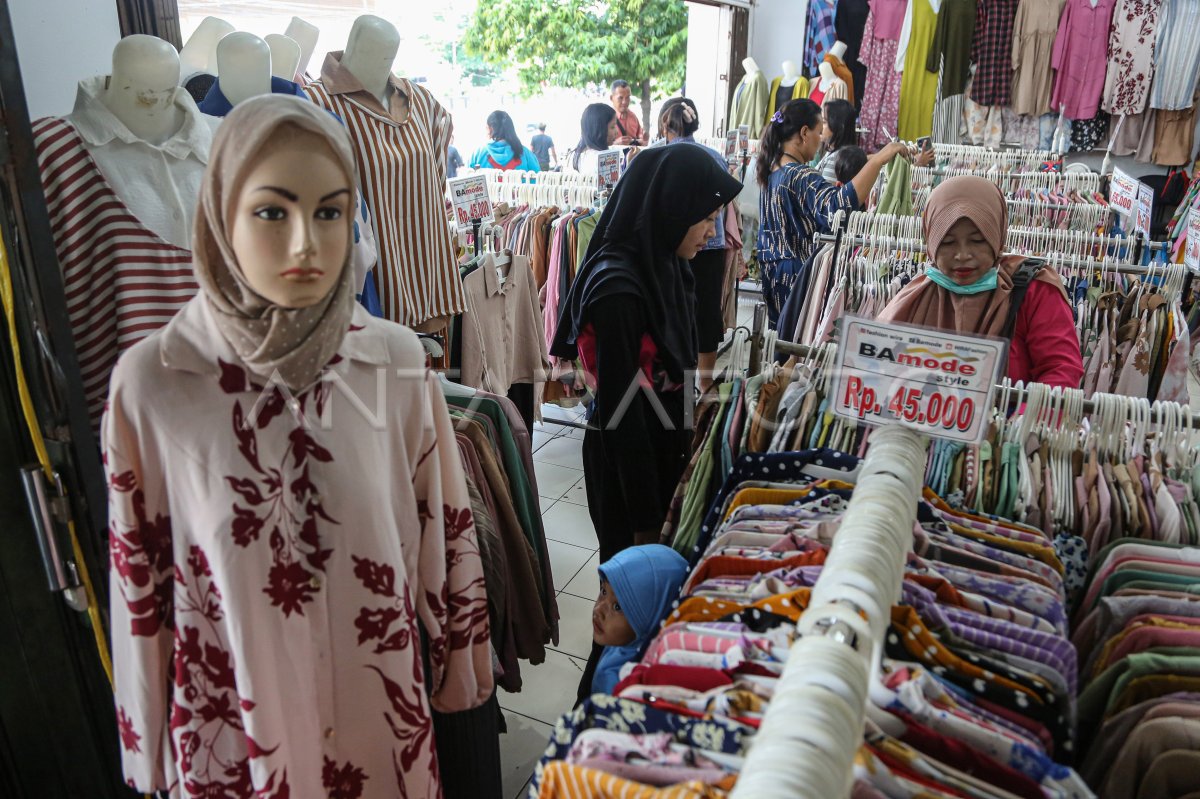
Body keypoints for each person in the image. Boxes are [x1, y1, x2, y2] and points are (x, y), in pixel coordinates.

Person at [551, 145, 742, 565]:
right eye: (707, 219)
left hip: (666, 442)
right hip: (628, 459)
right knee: (626, 591)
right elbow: (623, 412)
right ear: (673, 206)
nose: (712, 233)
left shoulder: (668, 266)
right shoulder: (618, 288)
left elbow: (684, 366)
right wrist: (645, 517)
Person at [877, 176, 1084, 388]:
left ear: (997, 236)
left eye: (978, 240)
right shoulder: (913, 299)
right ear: (931, 242)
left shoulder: (1035, 290)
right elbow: (873, 369)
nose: (962, 255)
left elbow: (1061, 372)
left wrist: (1018, 418)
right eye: (947, 242)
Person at [756, 98, 909, 326]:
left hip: (773, 271)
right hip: (794, 276)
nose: (822, 139)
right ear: (804, 133)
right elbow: (838, 206)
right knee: (790, 346)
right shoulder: (799, 175)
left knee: (778, 342)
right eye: (819, 132)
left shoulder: (774, 168)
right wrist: (878, 160)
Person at [658, 96, 730, 392]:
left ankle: (675, 374)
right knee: (706, 311)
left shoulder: (657, 156)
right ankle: (705, 380)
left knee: (672, 308)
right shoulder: (715, 156)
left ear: (666, 124)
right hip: (712, 246)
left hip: (672, 246)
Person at [589, 544, 689, 697]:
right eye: (603, 591)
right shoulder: (625, 644)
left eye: (617, 607)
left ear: (655, 617)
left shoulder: (621, 689)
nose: (598, 610)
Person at [469, 109, 540, 171]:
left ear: (490, 128)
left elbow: (467, 181)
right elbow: (538, 180)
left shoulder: (478, 154)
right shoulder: (525, 153)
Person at [565, 102, 618, 174]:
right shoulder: (604, 159)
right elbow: (610, 185)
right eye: (612, 127)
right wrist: (630, 165)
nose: (616, 132)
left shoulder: (572, 156)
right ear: (599, 129)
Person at [814, 98, 858, 181]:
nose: (819, 126)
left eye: (824, 122)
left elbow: (824, 192)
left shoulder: (835, 159)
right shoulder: (832, 153)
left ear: (839, 126)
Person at [609, 79, 644, 145]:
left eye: (627, 98)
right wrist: (615, 144)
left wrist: (642, 141)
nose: (624, 102)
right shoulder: (605, 118)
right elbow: (598, 146)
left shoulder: (633, 117)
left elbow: (641, 138)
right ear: (611, 98)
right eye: (620, 98)